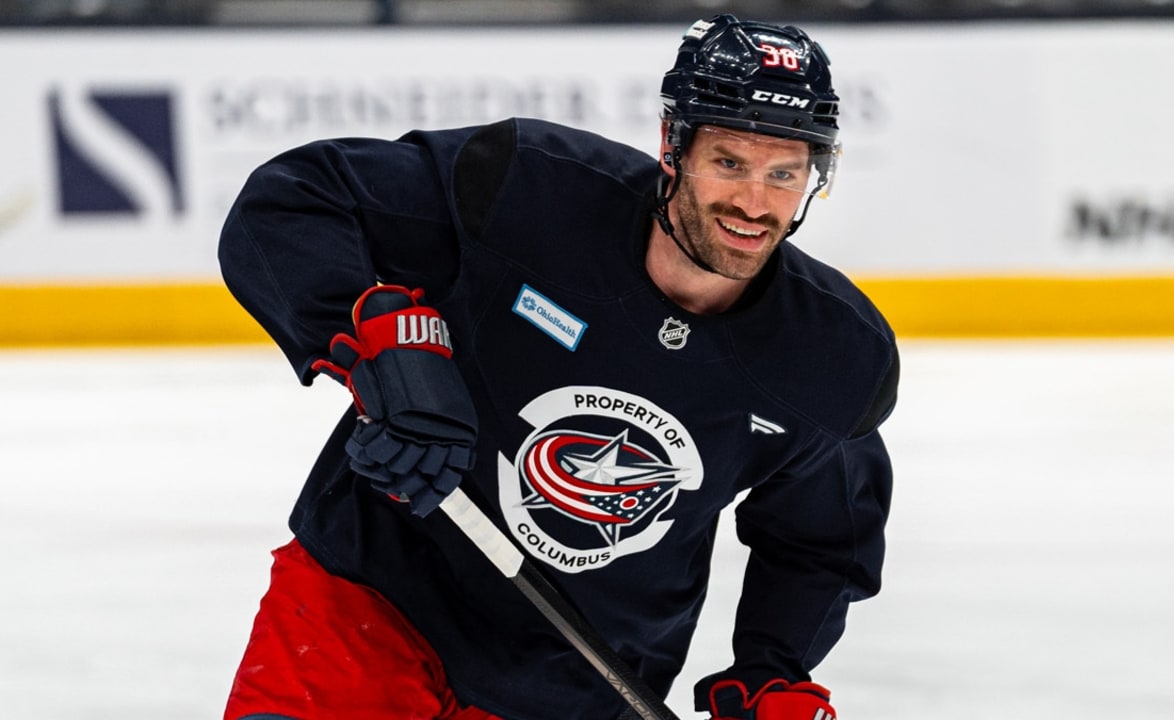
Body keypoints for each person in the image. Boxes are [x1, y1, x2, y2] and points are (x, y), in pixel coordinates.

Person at [219, 14, 898, 720]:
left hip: (577, 687)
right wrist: (384, 342)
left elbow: (819, 540)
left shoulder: (831, 356)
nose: (755, 204)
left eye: (784, 174)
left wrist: (773, 672)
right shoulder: (527, 192)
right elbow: (296, 199)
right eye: (728, 162)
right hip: (369, 600)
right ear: (673, 147)